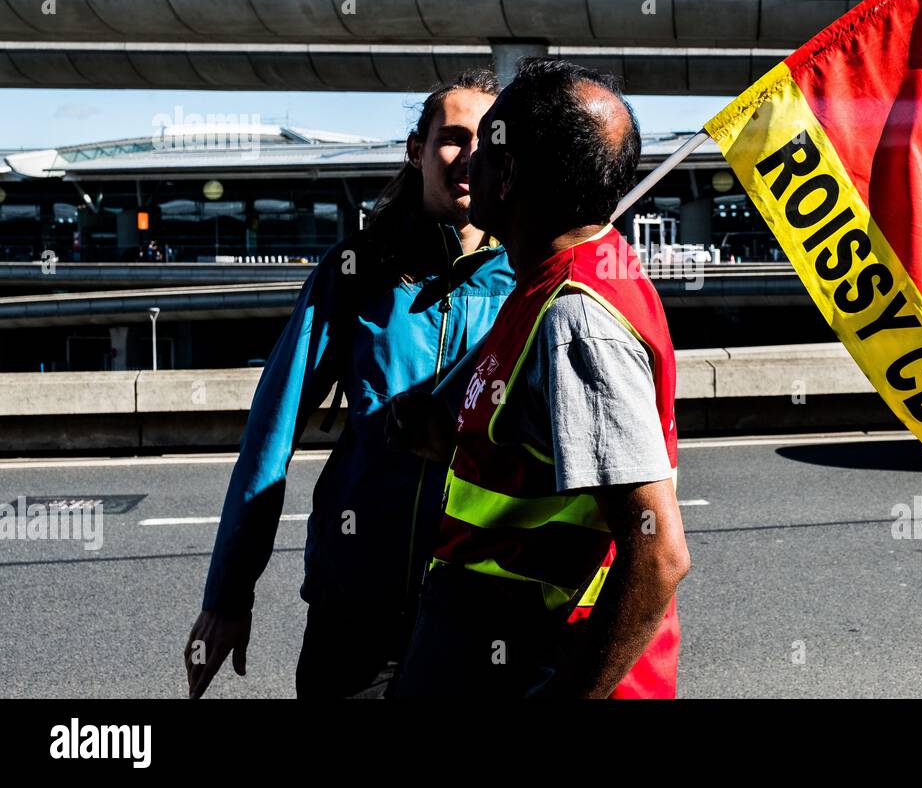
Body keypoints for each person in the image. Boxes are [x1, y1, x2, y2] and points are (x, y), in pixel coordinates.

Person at [185, 69, 514, 698]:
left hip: (476, 610)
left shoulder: (531, 283)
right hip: (355, 611)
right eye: (453, 138)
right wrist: (227, 597)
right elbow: (269, 439)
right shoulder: (356, 270)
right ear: (416, 152)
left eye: (488, 140)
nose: (470, 155)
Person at [387, 58, 690, 699]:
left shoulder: (578, 317)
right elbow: (519, 465)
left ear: (513, 172)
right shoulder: (544, 288)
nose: (469, 166)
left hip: (529, 666)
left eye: (487, 145)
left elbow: (658, 555)